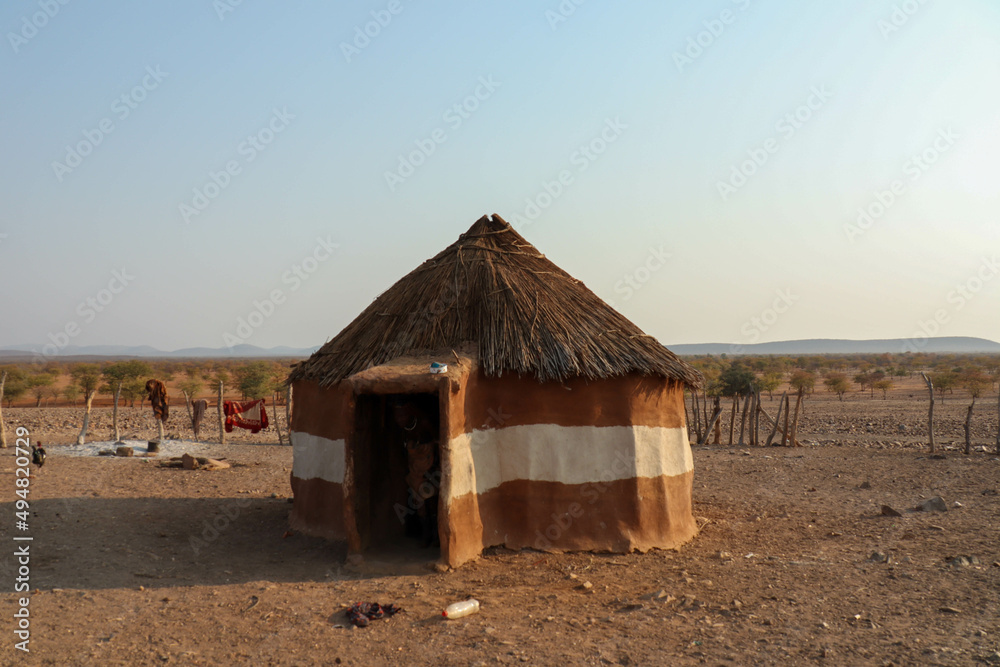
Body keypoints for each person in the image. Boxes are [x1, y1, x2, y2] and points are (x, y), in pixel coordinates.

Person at [391, 400, 440, 548]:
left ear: (409, 413)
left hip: (430, 469)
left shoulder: (424, 424)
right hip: (415, 470)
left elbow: (437, 442)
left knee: (432, 501)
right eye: (396, 416)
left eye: (402, 415)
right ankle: (426, 536)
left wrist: (433, 467)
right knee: (419, 502)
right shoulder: (404, 430)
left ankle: (436, 537)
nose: (399, 419)